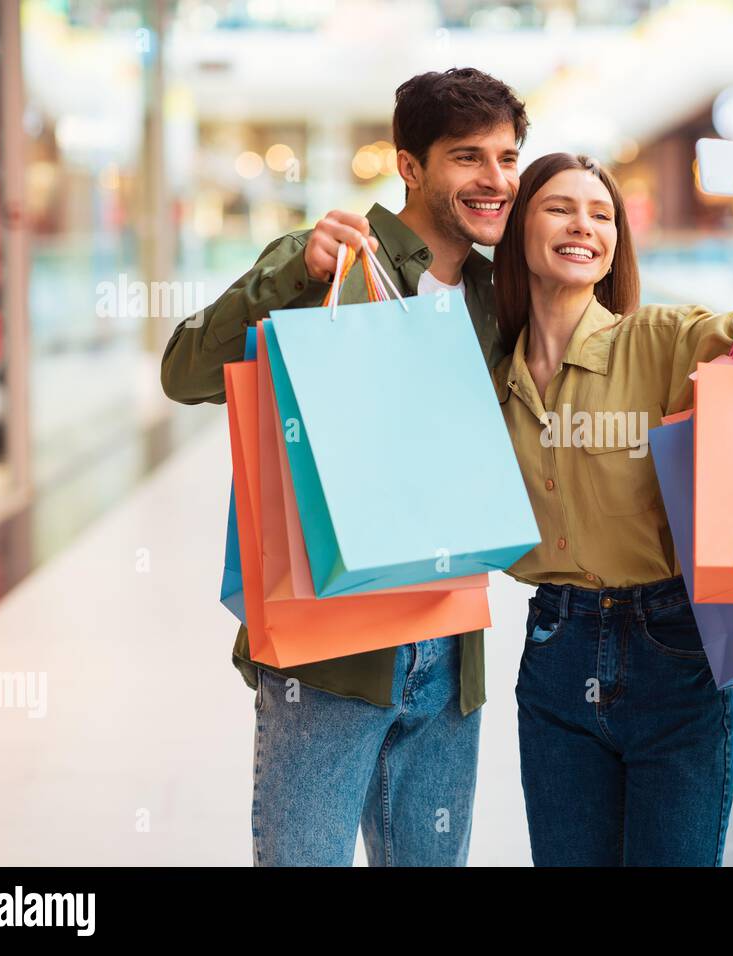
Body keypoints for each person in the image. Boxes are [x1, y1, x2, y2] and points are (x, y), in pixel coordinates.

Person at [160, 68, 527, 866]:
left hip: (450, 639)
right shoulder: (330, 261)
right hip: (330, 647)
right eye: (468, 157)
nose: (495, 179)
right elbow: (183, 370)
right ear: (409, 166)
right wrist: (295, 274)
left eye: (507, 157)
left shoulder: (503, 297)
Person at [490, 139, 733, 866]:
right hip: (554, 651)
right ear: (519, 229)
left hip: (673, 652)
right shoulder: (492, 372)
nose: (585, 226)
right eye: (560, 208)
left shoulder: (667, 338)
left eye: (602, 215)